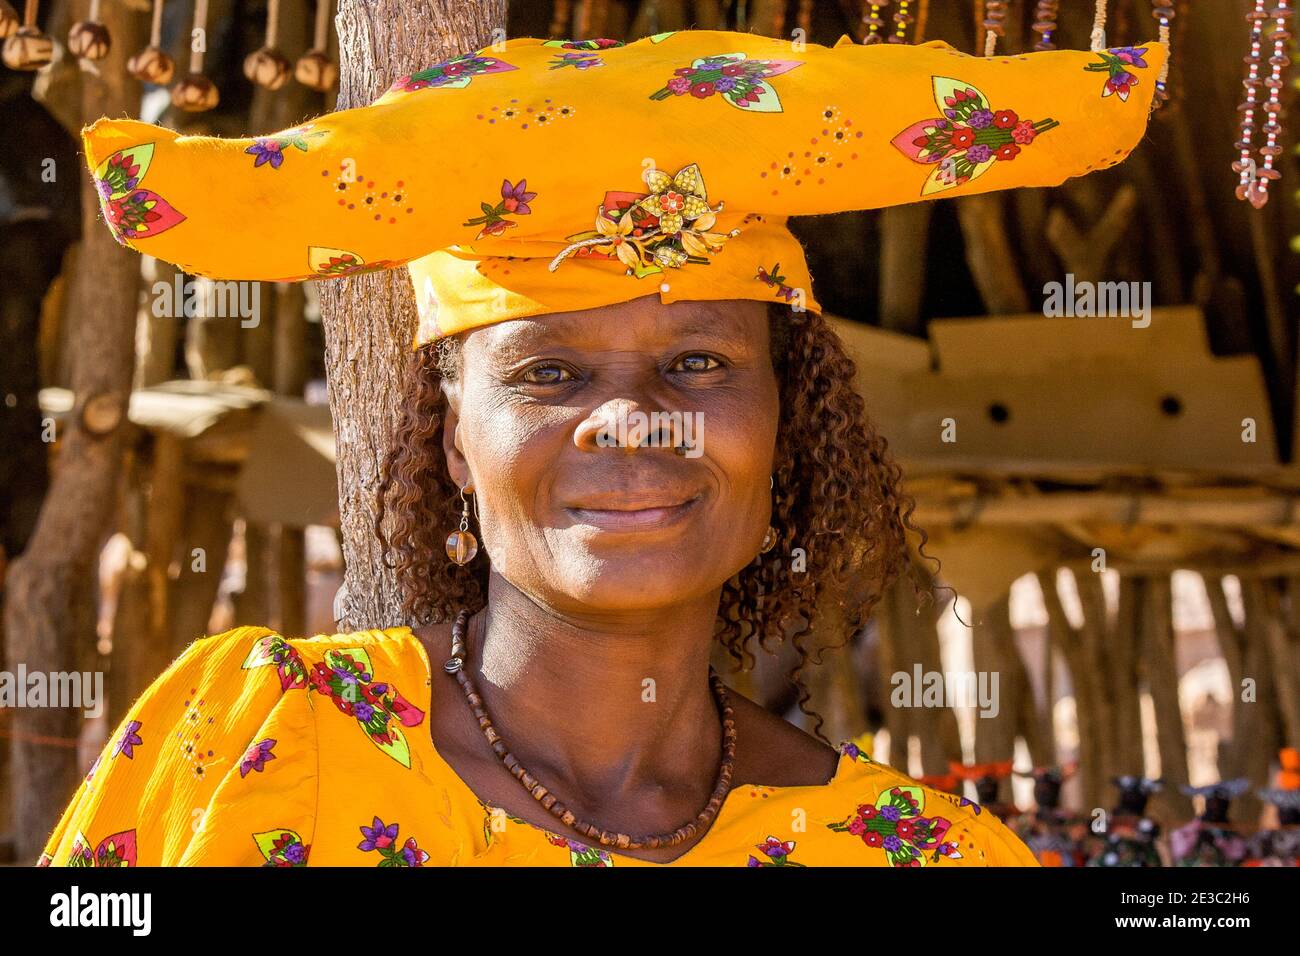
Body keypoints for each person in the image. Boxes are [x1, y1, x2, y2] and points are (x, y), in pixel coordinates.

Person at [40, 28, 1165, 866]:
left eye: (698, 364)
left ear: (788, 428)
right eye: (547, 372)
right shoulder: (260, 745)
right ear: (452, 445)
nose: (627, 420)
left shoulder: (914, 851)